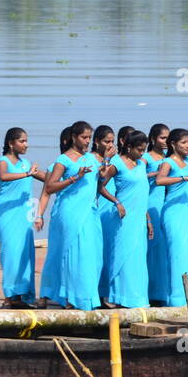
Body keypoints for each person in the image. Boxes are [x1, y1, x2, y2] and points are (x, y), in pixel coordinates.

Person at [41, 121, 104, 310]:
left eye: (89, 138)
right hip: (70, 212)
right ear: (74, 137)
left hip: (90, 212)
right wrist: (74, 177)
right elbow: (50, 187)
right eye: (84, 137)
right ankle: (70, 298)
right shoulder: (64, 160)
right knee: (74, 254)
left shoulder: (92, 159)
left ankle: (86, 298)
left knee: (90, 255)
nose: (87, 141)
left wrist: (103, 171)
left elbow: (99, 183)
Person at [0, 128, 47, 308]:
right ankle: (9, 296)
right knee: (11, 252)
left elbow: (47, 179)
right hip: (7, 213)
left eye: (26, 141)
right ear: (11, 143)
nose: (26, 144)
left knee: (25, 253)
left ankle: (22, 296)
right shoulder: (3, 162)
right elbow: (4, 176)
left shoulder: (26, 164)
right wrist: (27, 174)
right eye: (22, 141)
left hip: (23, 215)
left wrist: (71, 177)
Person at [155, 128, 188, 307]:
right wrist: (184, 178)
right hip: (174, 214)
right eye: (184, 143)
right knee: (178, 254)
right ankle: (177, 300)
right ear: (173, 144)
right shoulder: (168, 162)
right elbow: (159, 180)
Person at [105, 130, 152, 309]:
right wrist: (116, 202)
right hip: (124, 217)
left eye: (144, 150)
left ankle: (136, 298)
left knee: (137, 257)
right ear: (129, 146)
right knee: (123, 254)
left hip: (139, 218)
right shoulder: (117, 163)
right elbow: (100, 185)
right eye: (139, 149)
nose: (142, 153)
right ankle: (118, 296)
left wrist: (147, 219)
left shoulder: (140, 164)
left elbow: (142, 194)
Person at [35, 126, 72, 308]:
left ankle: (67, 293)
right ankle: (46, 294)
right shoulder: (56, 165)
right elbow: (46, 193)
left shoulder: (86, 162)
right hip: (62, 215)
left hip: (82, 215)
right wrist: (39, 215)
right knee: (56, 255)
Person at [91, 126, 120, 308]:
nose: (110, 145)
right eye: (106, 141)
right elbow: (99, 182)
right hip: (98, 206)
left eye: (112, 141)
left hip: (111, 209)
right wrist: (107, 159)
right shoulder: (92, 159)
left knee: (110, 251)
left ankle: (107, 294)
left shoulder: (115, 161)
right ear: (97, 142)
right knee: (96, 252)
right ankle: (96, 295)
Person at [144, 123, 170, 305]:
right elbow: (136, 175)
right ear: (153, 139)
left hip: (166, 204)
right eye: (162, 138)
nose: (166, 142)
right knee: (153, 246)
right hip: (151, 202)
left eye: (168, 138)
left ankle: (163, 291)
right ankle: (150, 291)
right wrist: (156, 173)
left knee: (165, 248)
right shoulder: (145, 157)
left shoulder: (170, 158)